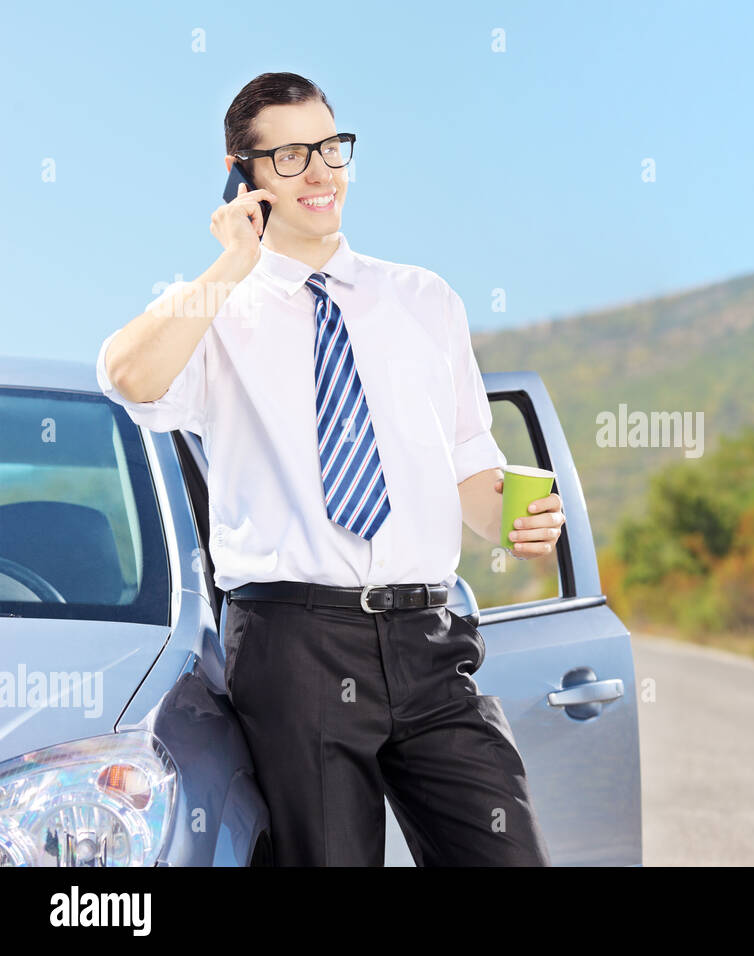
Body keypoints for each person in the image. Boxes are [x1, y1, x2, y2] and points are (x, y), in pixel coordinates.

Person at [95, 72, 562, 866]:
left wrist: (517, 518)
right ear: (243, 177)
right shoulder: (216, 311)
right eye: (290, 156)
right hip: (294, 645)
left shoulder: (424, 300)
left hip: (433, 641)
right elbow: (127, 375)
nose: (320, 172)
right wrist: (228, 264)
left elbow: (471, 479)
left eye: (330, 147)